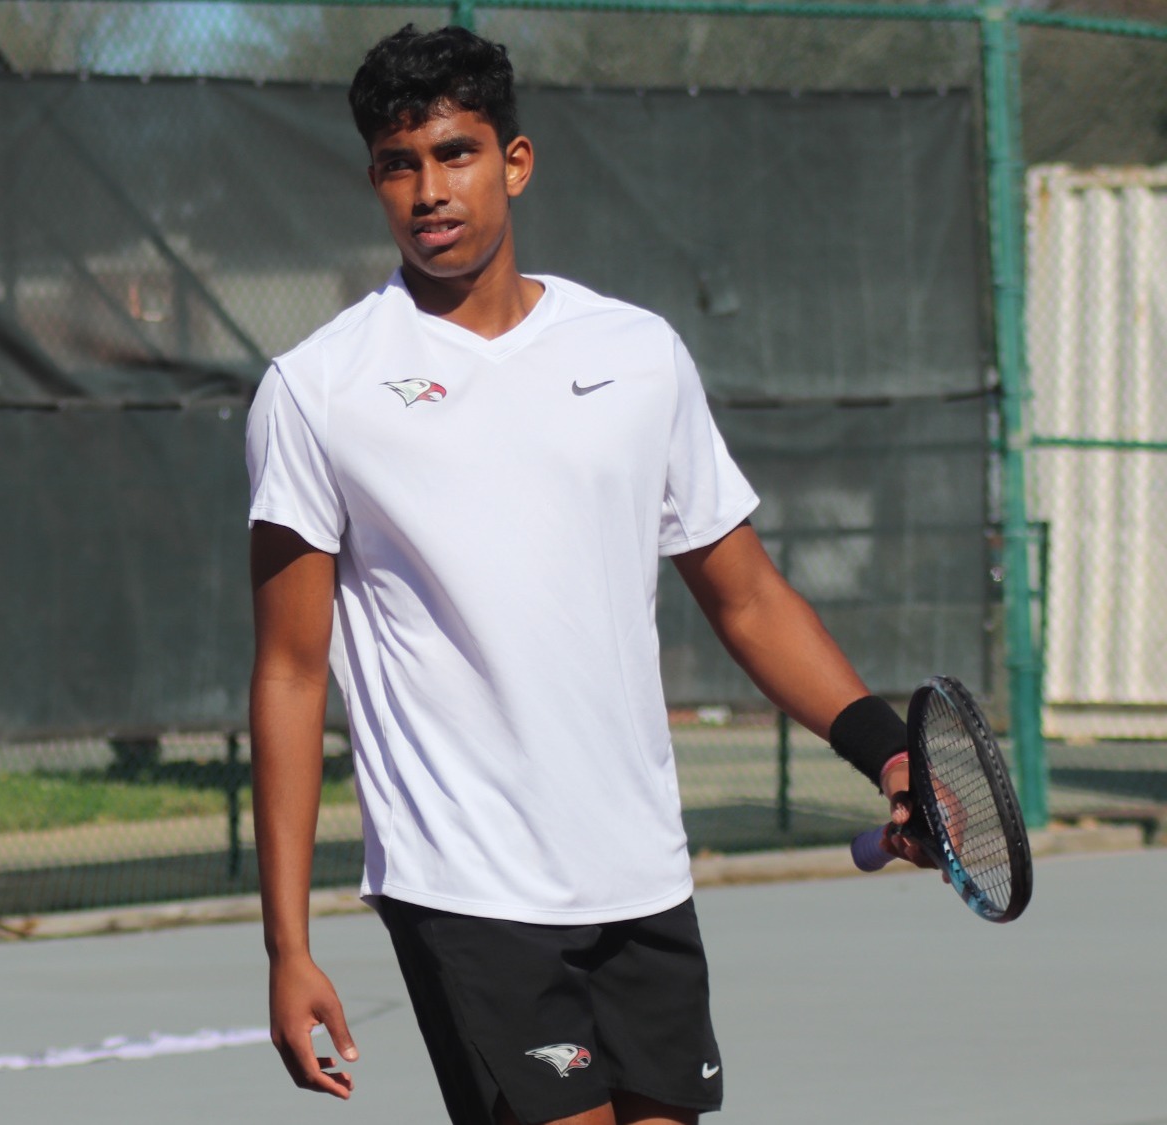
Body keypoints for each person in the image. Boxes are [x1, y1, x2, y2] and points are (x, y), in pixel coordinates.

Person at [245, 26, 926, 1125]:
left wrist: (887, 751)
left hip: (640, 870)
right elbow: (288, 669)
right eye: (399, 164)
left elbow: (746, 597)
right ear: (374, 179)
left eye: (456, 154)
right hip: (465, 882)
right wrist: (287, 944)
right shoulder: (316, 388)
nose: (430, 190)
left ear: (514, 162)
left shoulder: (638, 352)